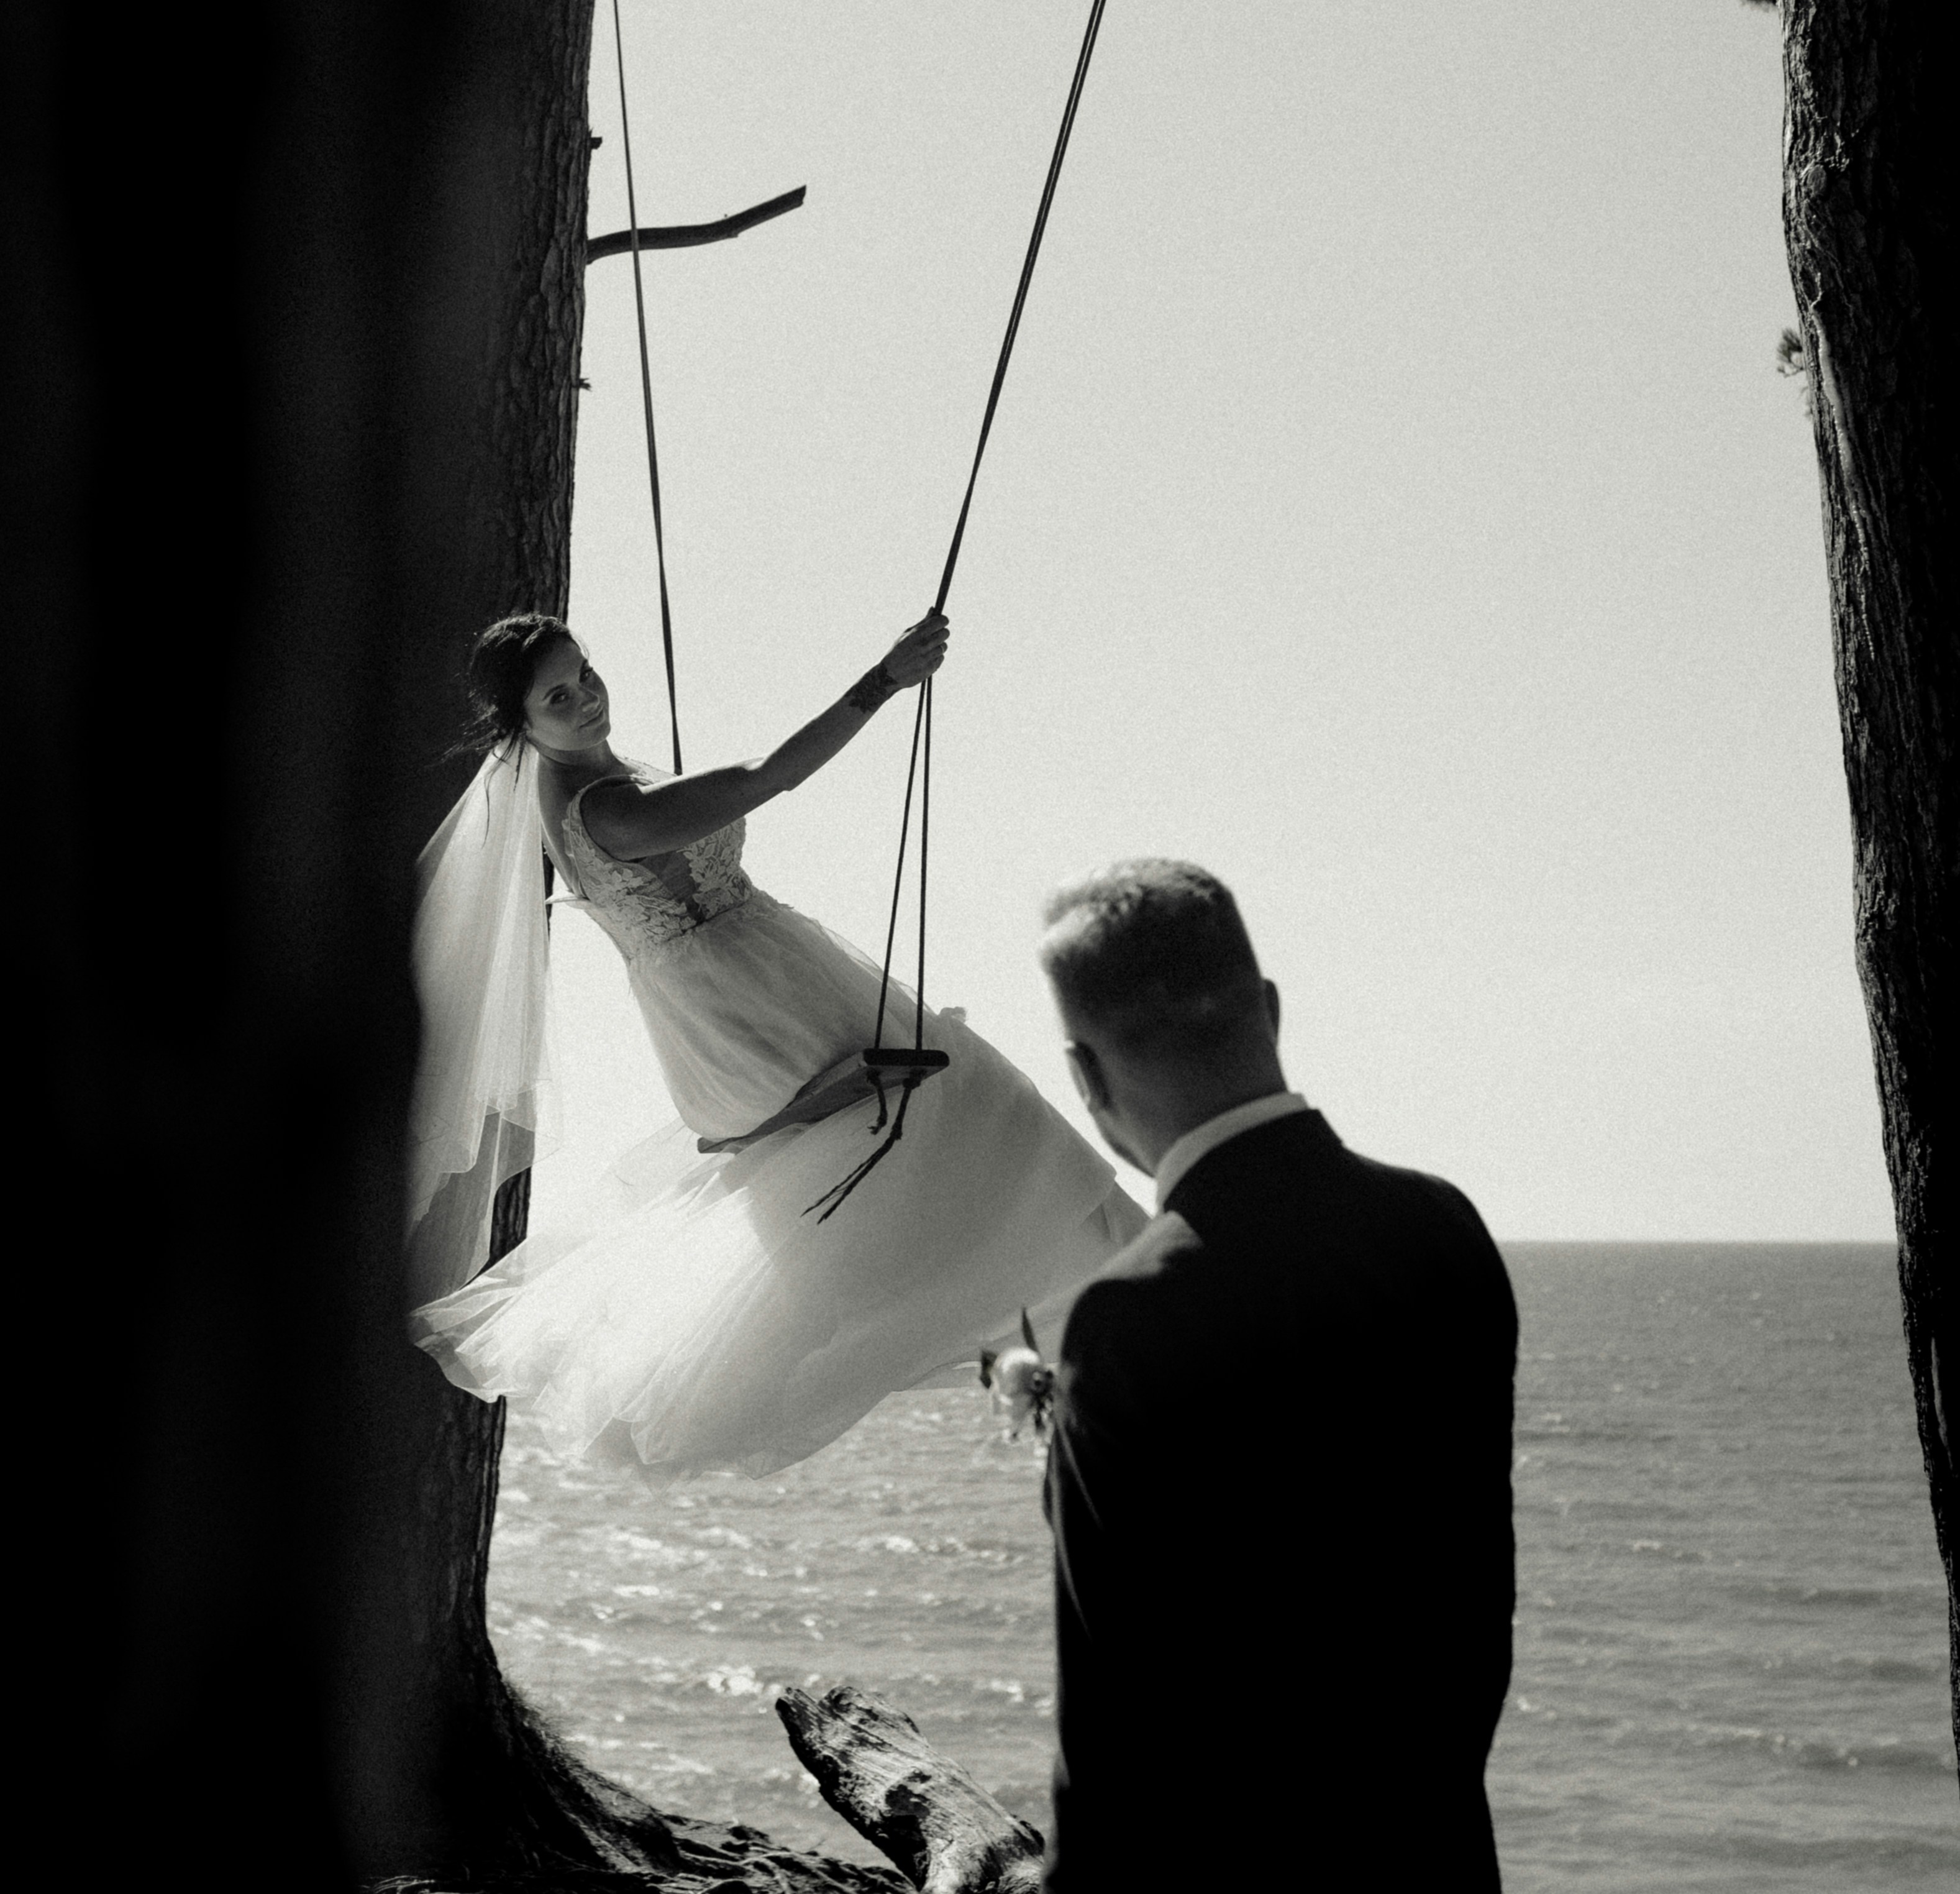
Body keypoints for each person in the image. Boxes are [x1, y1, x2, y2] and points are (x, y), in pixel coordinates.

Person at [406, 610, 1144, 1481]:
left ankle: (1104, 1326)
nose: (588, 700)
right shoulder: (607, 810)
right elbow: (771, 776)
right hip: (751, 1011)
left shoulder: (581, 780)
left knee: (959, 1124)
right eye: (558, 698)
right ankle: (1138, 1305)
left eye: (587, 674)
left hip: (742, 992)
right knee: (972, 1106)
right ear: (523, 726)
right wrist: (886, 678)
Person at [1035, 859, 1517, 1891]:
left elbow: (1111, 1728)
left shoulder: (1132, 1315)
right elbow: (1473, 1618)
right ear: (1269, 1009)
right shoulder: (1442, 1230)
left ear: (1084, 1077)